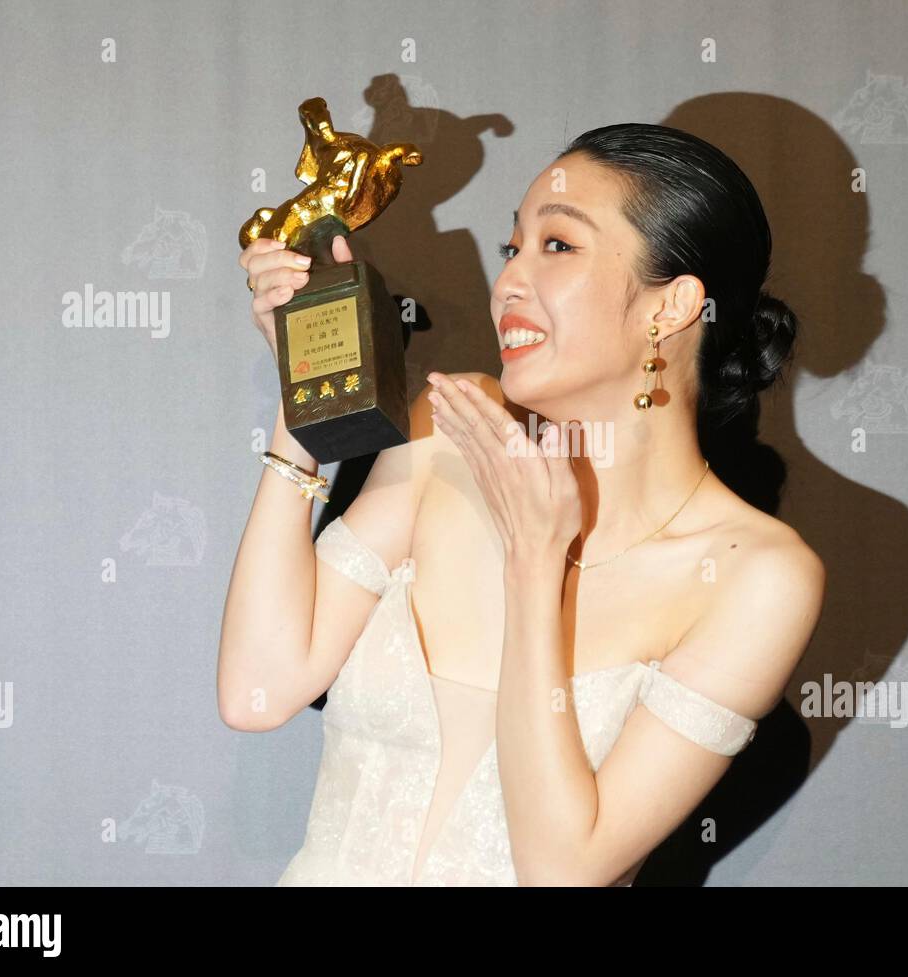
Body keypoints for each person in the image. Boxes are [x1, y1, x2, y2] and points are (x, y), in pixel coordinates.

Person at [218, 122, 826, 886]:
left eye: (558, 246)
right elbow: (257, 692)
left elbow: (561, 869)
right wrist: (304, 394)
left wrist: (535, 563)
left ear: (671, 307)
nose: (509, 281)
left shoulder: (757, 575)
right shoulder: (450, 430)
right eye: (513, 249)